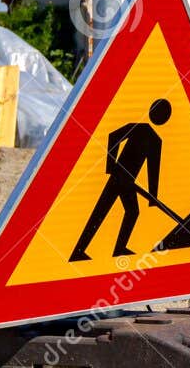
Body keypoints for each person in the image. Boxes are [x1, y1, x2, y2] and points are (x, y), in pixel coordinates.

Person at [69, 99, 170, 262]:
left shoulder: (152, 138)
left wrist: (153, 197)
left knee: (124, 212)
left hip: (126, 180)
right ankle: (81, 251)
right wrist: (111, 166)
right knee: (103, 212)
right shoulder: (144, 131)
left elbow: (153, 170)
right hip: (119, 178)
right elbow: (113, 136)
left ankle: (114, 248)